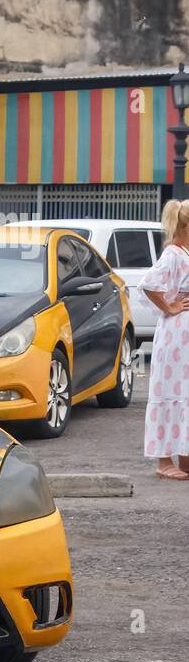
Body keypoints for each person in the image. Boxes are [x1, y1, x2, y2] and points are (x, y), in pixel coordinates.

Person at [141, 199, 189, 480]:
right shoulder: (173, 254)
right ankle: (163, 461)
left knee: (184, 393)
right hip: (176, 336)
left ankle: (184, 456)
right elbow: (149, 283)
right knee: (172, 392)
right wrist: (169, 307)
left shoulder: (184, 253)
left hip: (183, 338)